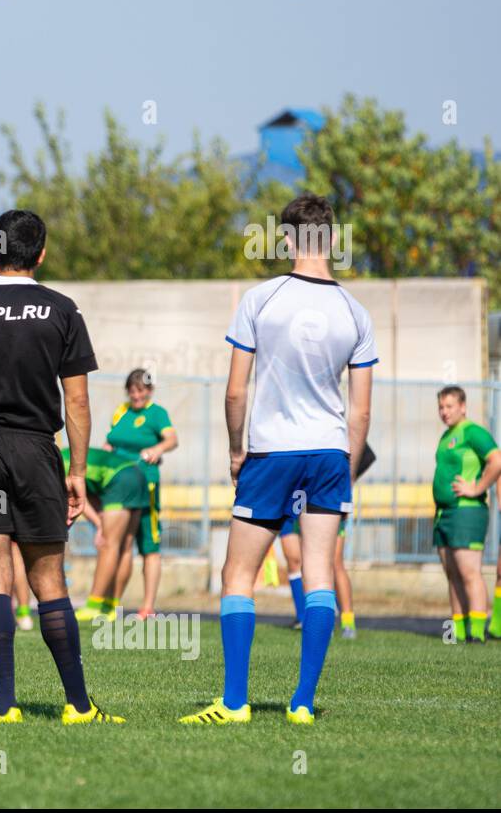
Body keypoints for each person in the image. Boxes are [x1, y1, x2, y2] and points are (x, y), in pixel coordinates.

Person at [0, 208, 124, 725]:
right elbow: (76, 403)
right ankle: (78, 706)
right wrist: (77, 471)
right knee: (49, 581)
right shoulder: (61, 309)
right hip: (35, 449)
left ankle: (5, 706)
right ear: (42, 253)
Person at [182, 193, 375, 726]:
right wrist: (347, 471)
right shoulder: (356, 313)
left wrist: (235, 448)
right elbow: (360, 414)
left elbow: (234, 392)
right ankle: (303, 704)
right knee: (319, 573)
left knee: (238, 574)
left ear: (286, 239)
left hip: (270, 451)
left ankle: (236, 703)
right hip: (331, 452)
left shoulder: (260, 298)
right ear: (333, 239)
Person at [99, 369, 177, 620]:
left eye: (140, 390)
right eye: (132, 390)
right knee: (120, 543)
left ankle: (147, 607)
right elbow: (111, 440)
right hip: (119, 487)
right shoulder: (121, 412)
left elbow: (172, 439)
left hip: (146, 485)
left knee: (149, 545)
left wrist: (157, 448)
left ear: (149, 391)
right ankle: (111, 605)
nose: (136, 395)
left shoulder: (157, 413)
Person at [431, 385, 501, 645]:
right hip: (444, 514)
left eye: (449, 406)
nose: (444, 412)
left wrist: (477, 488)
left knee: (470, 572)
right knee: (452, 574)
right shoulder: (446, 435)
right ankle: (456, 632)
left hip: (467, 514)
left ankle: (477, 632)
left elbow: (497, 460)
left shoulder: (474, 432)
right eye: (441, 407)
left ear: (463, 406)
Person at [68, 446, 148, 621]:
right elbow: (90, 492)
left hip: (119, 479)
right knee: (125, 548)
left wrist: (99, 525)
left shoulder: (53, 463)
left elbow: (77, 498)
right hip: (137, 473)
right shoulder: (64, 453)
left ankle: (93, 605)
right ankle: (111, 606)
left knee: (107, 544)